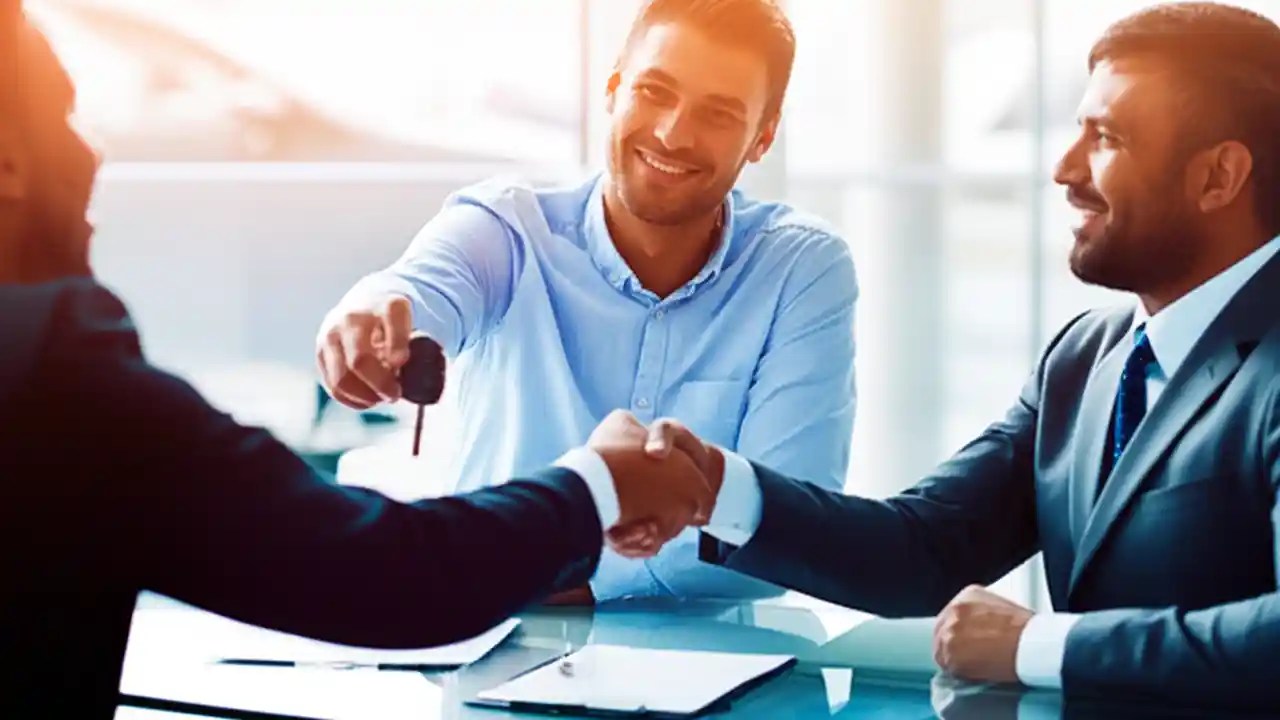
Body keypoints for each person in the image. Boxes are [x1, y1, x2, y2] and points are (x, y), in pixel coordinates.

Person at [0, 7, 714, 718]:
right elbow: (387, 575)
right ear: (8, 161)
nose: (92, 152)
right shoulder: (51, 368)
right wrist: (597, 487)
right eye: (64, 118)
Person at [592, 2, 1280, 711]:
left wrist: (1038, 645)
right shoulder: (1084, 359)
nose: (1064, 169)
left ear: (1219, 177)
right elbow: (922, 549)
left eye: (1105, 138)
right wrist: (713, 488)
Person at [315, 0, 858, 604]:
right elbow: (417, 290)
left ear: (763, 137)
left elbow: (795, 531)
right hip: (499, 637)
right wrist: (371, 321)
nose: (673, 133)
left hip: (710, 648)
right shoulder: (507, 230)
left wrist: (545, 565)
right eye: (654, 91)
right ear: (613, 88)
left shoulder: (801, 270)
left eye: (718, 114)